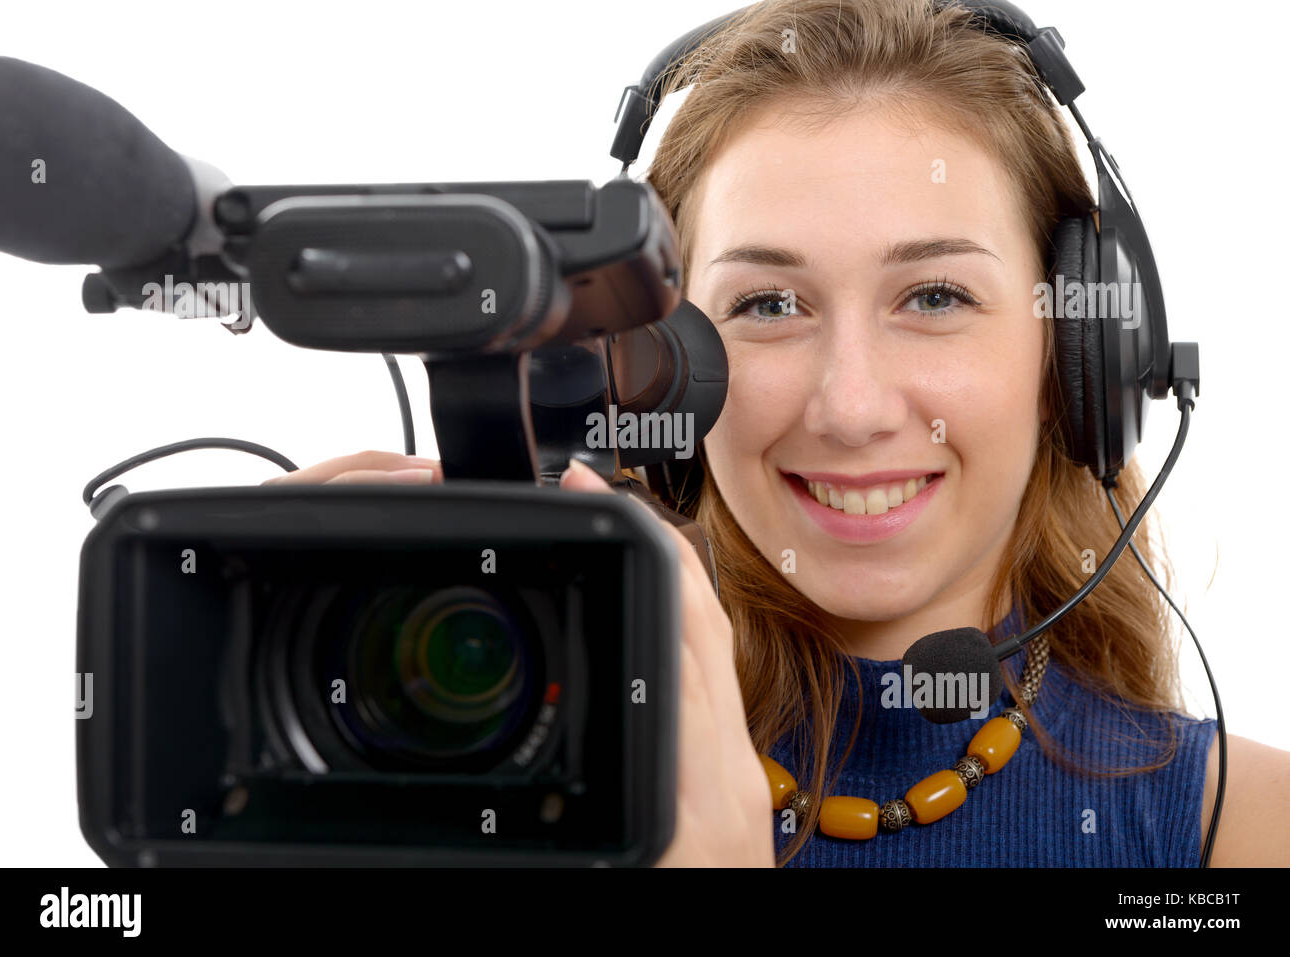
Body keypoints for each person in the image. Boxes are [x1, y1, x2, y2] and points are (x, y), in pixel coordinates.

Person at [265, 0, 1290, 867]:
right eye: (765, 305)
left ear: (1074, 354)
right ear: (644, 360)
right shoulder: (484, 782)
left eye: (934, 295)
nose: (849, 407)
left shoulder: (1246, 831)